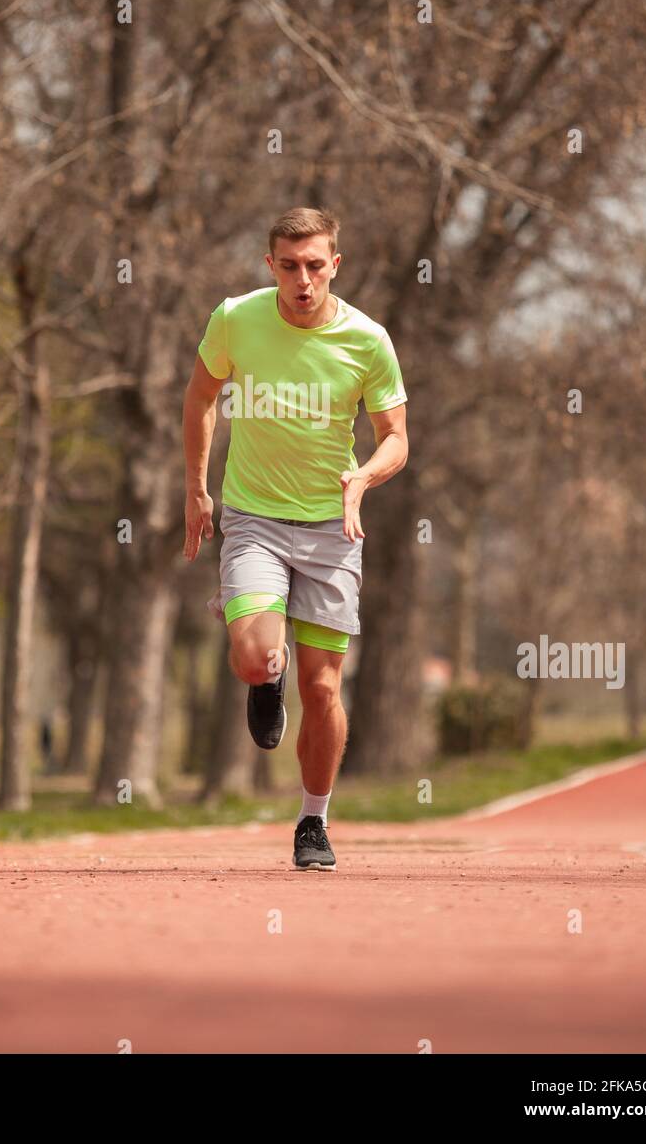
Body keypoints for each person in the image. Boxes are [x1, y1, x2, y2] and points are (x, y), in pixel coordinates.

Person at [183, 207, 408, 869]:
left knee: (324, 691)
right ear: (270, 265)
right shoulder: (236, 319)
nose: (303, 279)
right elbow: (200, 396)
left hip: (332, 528)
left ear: (335, 264)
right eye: (290, 266)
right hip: (252, 517)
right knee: (255, 658)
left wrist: (363, 478)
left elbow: (396, 438)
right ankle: (265, 675)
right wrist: (197, 488)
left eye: (315, 265)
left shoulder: (368, 341)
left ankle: (313, 821)